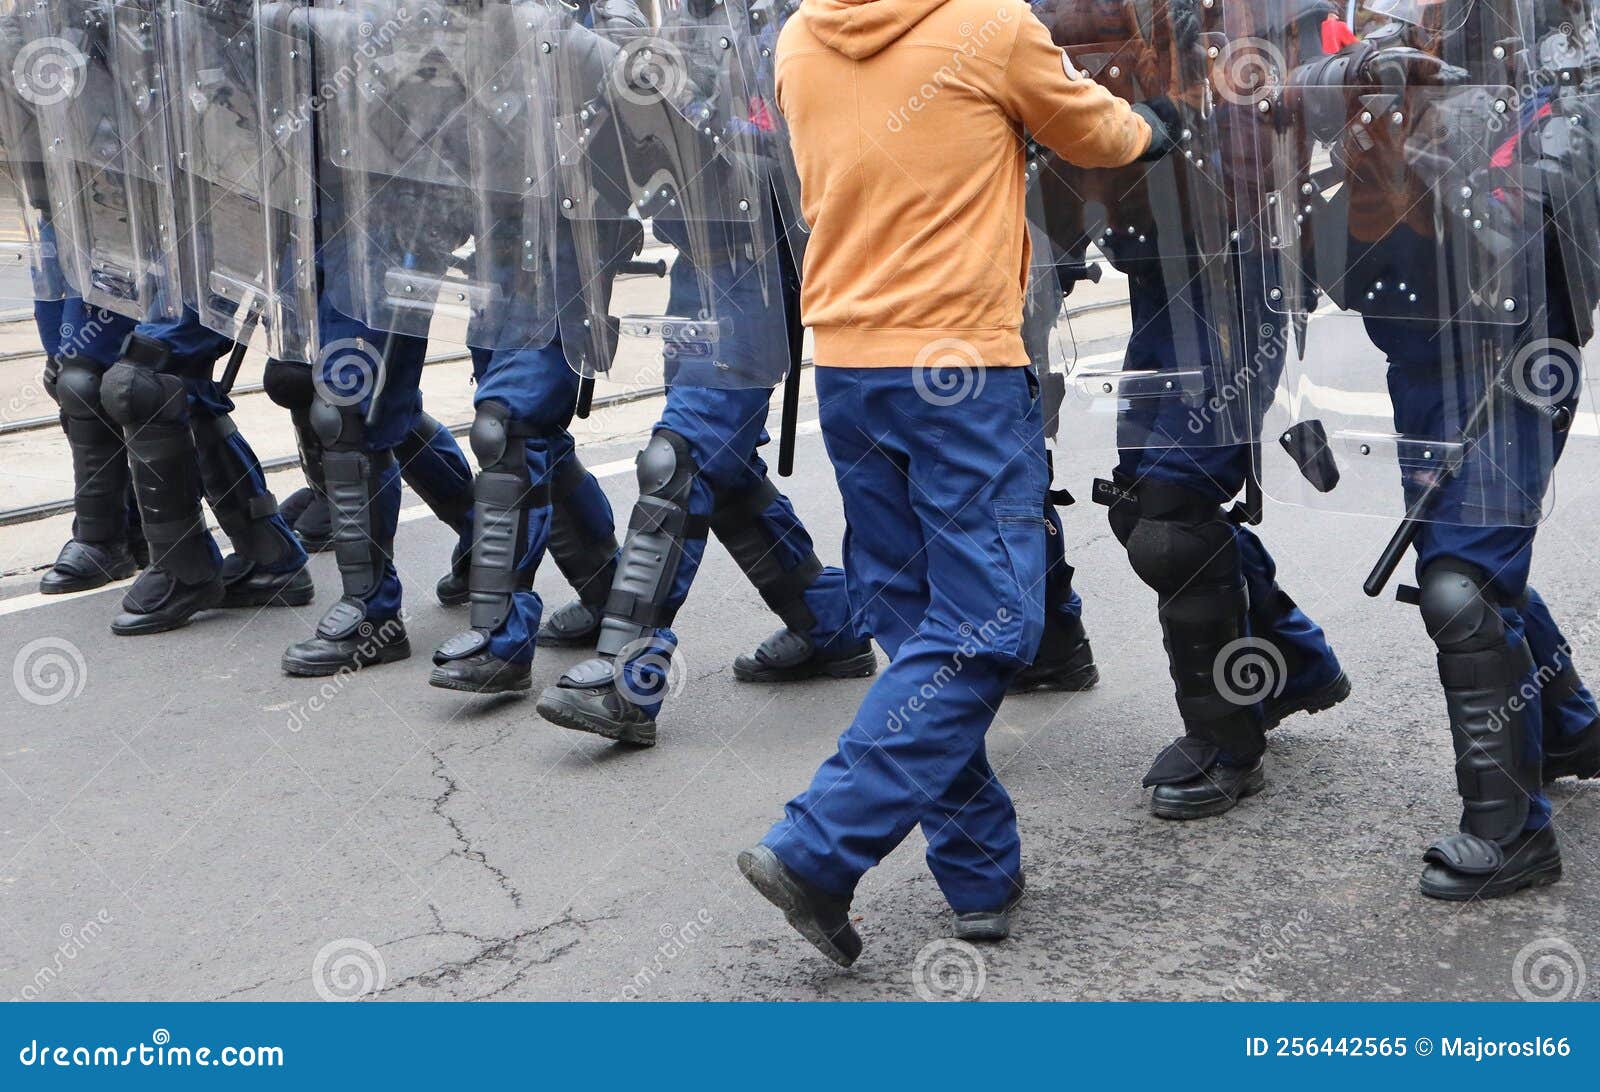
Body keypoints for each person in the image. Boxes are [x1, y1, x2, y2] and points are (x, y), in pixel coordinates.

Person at [738, 0, 1172, 965]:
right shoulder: (988, 23)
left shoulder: (802, 34)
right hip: (957, 373)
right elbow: (1093, 132)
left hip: (850, 367)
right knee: (989, 624)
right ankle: (818, 845)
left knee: (920, 621)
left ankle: (978, 872)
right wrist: (1157, 127)